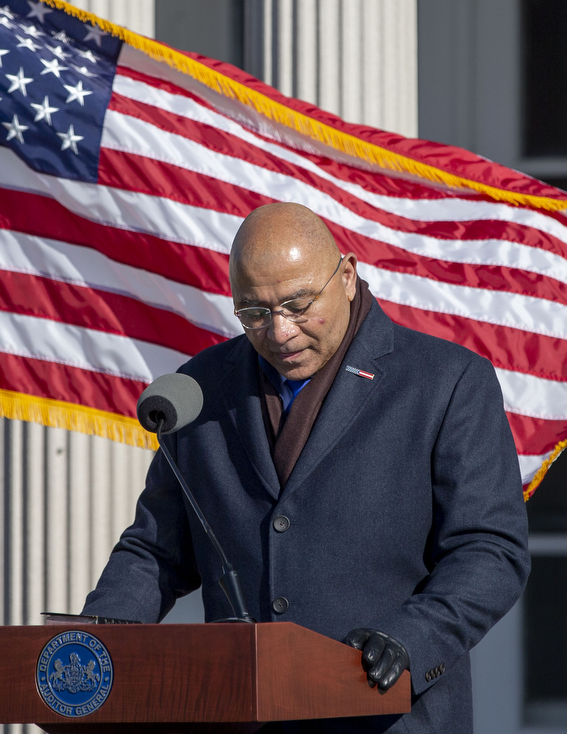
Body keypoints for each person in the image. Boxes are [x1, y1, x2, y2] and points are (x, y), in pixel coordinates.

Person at [83, 202, 530, 732]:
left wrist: (411, 637)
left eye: (298, 304)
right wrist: (91, 645)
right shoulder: (200, 389)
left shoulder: (448, 382)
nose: (280, 333)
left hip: (385, 716)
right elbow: (156, 550)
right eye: (253, 313)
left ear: (347, 275)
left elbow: (490, 551)